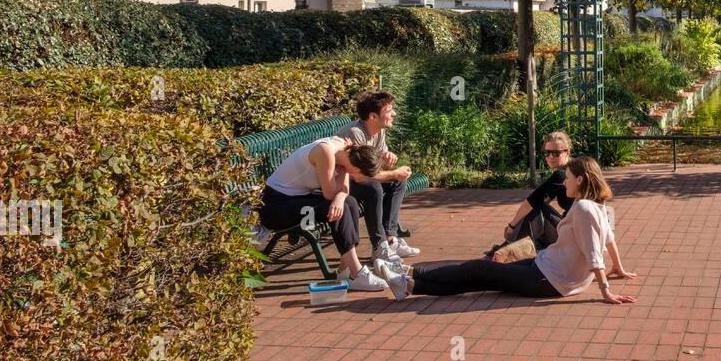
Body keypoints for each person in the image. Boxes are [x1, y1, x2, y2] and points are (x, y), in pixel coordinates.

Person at [382, 156, 637, 305]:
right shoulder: (597, 205)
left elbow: (594, 252)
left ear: (580, 180)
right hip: (549, 270)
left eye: (568, 177)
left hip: (550, 280)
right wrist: (619, 268)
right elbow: (610, 240)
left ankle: (407, 281)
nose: (565, 182)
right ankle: (409, 280)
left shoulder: (583, 207)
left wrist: (606, 291)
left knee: (479, 270)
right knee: (482, 271)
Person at [259, 134, 395, 291]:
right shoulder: (326, 153)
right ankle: (357, 273)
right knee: (340, 207)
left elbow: (344, 191)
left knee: (348, 202)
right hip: (275, 207)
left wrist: (339, 197)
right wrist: (343, 176)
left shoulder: (343, 152)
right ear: (357, 168)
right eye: (360, 175)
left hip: (294, 199)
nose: (358, 178)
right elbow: (331, 195)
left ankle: (345, 267)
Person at [337, 91, 420, 265]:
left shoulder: (378, 131)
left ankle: (390, 238)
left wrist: (387, 161)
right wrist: (393, 172)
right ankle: (379, 246)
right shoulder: (355, 134)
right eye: (389, 111)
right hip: (341, 183)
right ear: (373, 116)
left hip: (357, 177)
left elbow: (378, 168)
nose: (394, 114)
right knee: (373, 188)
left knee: (398, 181)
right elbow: (361, 175)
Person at [492, 130, 574, 254]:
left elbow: (532, 202)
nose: (550, 157)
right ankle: (509, 248)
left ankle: (506, 250)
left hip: (573, 236)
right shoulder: (573, 168)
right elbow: (545, 199)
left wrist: (512, 226)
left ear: (567, 152)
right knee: (535, 212)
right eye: (547, 153)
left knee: (536, 207)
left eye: (556, 153)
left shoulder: (562, 174)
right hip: (574, 230)